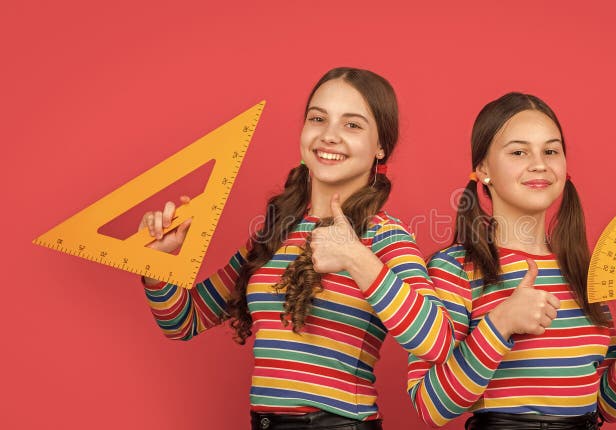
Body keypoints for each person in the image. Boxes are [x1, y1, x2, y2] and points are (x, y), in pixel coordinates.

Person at [138, 67, 453, 430]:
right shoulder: (274, 232)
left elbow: (438, 341)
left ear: (381, 146)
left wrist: (355, 256)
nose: (329, 135)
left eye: (352, 125)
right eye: (318, 119)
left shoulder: (383, 236)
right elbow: (184, 321)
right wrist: (158, 263)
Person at [407, 92, 616, 429]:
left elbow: (609, 405)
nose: (540, 163)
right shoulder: (453, 269)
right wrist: (501, 323)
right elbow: (430, 406)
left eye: (551, 151)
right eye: (519, 152)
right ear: (483, 168)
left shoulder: (582, 269)